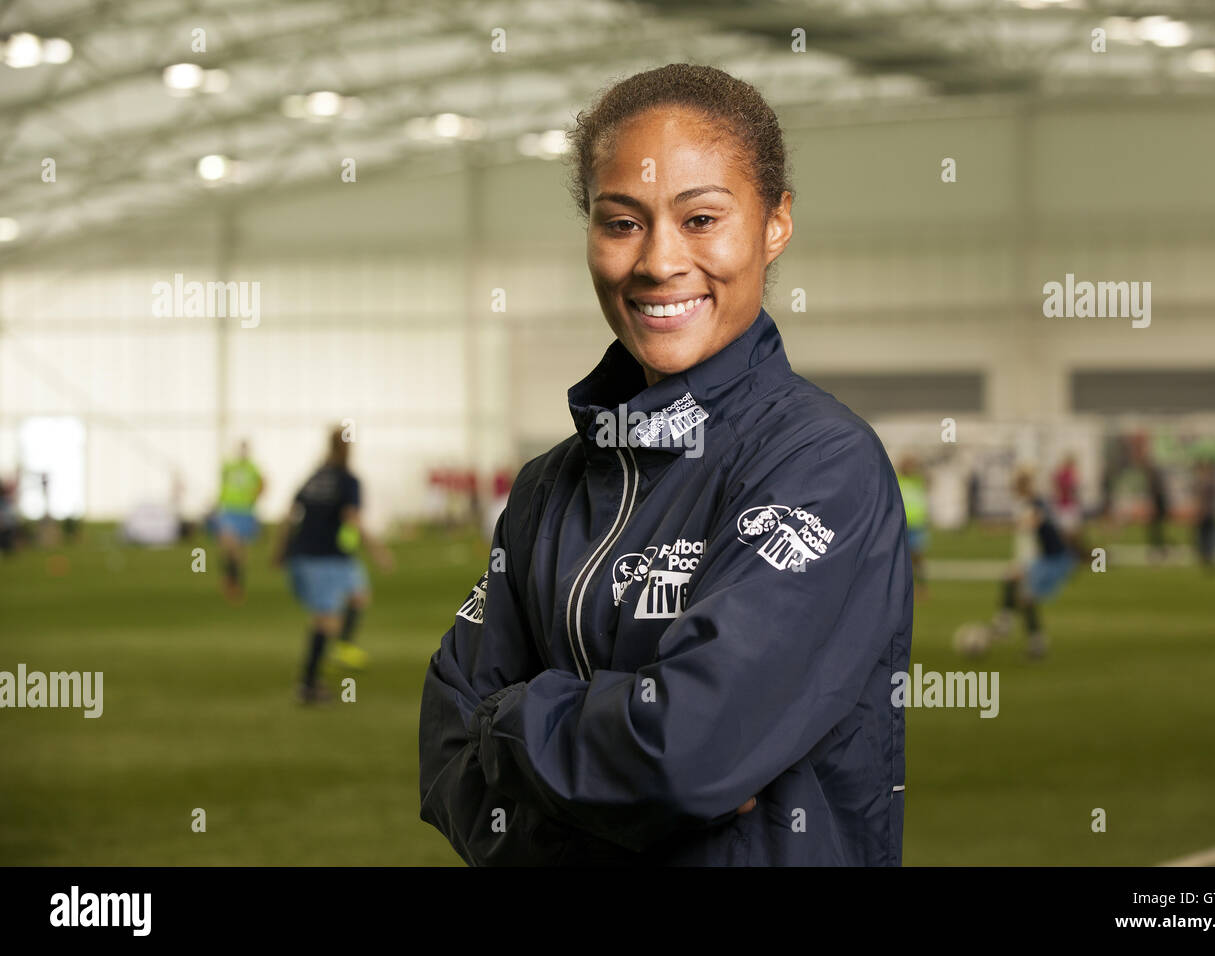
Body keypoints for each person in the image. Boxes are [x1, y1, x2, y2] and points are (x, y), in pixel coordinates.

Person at [418, 64, 912, 866]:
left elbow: (690, 750)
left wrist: (507, 719)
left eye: (702, 218)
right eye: (622, 223)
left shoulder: (822, 465)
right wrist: (611, 748)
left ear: (775, 223)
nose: (658, 262)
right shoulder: (547, 489)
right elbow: (444, 750)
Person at [272, 427, 393, 704]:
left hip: (321, 555)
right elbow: (352, 517)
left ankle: (341, 648)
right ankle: (308, 684)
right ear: (348, 448)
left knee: (358, 596)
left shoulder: (314, 478)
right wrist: (378, 550)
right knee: (326, 620)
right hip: (322, 558)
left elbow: (290, 514)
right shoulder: (347, 481)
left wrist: (280, 550)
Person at [992, 466, 1075, 659]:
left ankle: (1033, 642)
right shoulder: (1029, 502)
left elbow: (1032, 524)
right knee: (1013, 582)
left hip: (1054, 560)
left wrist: (999, 527)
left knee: (1025, 596)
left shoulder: (1035, 503)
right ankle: (1008, 624)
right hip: (1045, 558)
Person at [213, 440, 264, 603]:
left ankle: (235, 583)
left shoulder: (253, 468)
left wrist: (255, 498)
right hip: (229, 510)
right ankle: (230, 579)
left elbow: (263, 484)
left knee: (240, 551)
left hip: (245, 511)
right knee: (228, 544)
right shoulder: (228, 466)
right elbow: (223, 485)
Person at [896, 454, 930, 598]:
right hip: (902, 524)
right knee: (902, 558)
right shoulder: (897, 480)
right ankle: (904, 588)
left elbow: (930, 480)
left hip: (917, 524)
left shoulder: (918, 480)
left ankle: (922, 587)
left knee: (917, 559)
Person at [1191, 456, 1215, 573]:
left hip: (1207, 512)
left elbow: (1204, 499)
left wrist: (1201, 511)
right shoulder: (1205, 481)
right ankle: (1206, 556)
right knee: (1205, 535)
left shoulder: (1207, 482)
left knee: (1208, 535)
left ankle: (1208, 556)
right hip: (1207, 512)